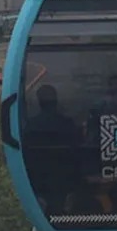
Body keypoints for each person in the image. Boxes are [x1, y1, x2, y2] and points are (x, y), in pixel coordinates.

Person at [23, 84, 82, 215]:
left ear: (39, 102)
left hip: (40, 177)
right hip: (64, 176)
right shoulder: (67, 124)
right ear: (56, 101)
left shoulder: (31, 125)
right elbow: (78, 149)